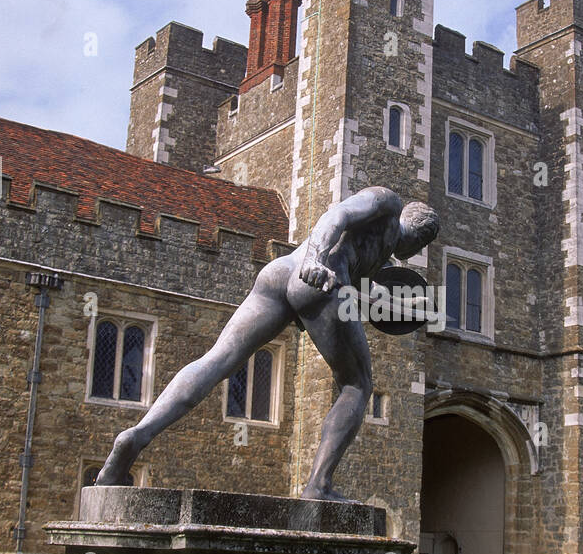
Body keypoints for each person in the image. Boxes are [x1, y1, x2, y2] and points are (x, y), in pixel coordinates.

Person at [96, 185, 439, 500]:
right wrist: (314, 260)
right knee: (357, 385)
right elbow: (337, 215)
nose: (412, 255)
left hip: (279, 274)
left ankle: (137, 436)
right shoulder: (388, 202)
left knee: (217, 360)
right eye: (420, 249)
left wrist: (405, 304)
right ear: (420, 237)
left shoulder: (380, 253)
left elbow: (361, 294)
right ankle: (318, 486)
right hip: (313, 275)